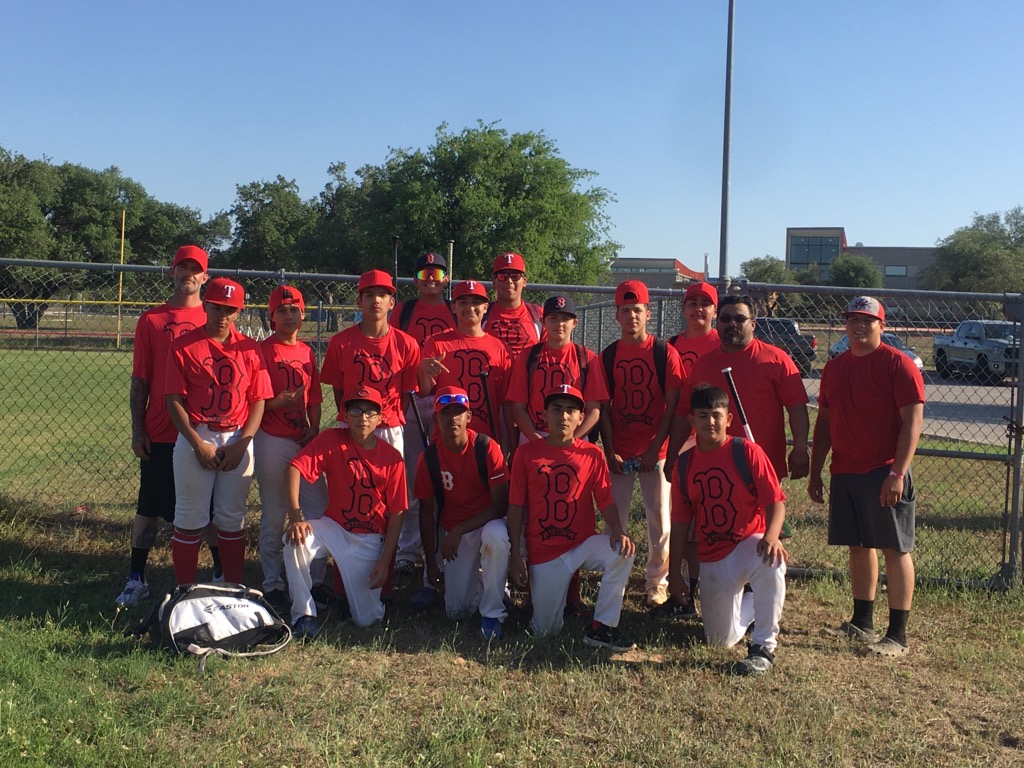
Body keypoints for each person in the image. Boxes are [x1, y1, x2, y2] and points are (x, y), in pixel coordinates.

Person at [808, 297, 924, 657]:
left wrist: (897, 473)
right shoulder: (835, 368)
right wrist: (815, 471)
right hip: (845, 469)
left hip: (883, 470)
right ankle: (862, 623)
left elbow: (913, 423)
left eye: (867, 320)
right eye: (852, 319)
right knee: (858, 546)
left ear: (881, 326)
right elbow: (824, 422)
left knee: (894, 548)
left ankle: (898, 636)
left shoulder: (899, 365)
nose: (859, 325)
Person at [117, 245, 219, 606]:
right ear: (171, 272)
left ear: (205, 277)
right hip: (161, 430)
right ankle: (136, 577)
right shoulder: (152, 320)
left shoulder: (215, 318)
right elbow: (140, 379)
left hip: (203, 430)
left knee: (206, 509)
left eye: (196, 270)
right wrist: (137, 429)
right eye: (182, 267)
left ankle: (220, 573)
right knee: (148, 506)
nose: (188, 274)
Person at [669, 385, 788, 676]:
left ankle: (764, 646)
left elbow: (776, 502)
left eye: (716, 415)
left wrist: (772, 535)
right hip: (713, 557)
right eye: (703, 415)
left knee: (770, 559)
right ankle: (751, 603)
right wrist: (674, 573)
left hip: (749, 543)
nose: (710, 422)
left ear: (729, 419)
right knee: (719, 641)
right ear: (691, 421)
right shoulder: (684, 464)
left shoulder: (746, 451)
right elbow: (680, 524)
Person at [508, 385, 637, 649]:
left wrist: (618, 529)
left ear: (581, 418)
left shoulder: (591, 453)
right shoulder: (526, 453)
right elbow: (516, 508)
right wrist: (516, 555)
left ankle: (602, 627)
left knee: (623, 551)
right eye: (556, 409)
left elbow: (605, 499)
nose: (563, 417)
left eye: (571, 411)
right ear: (544, 415)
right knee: (545, 631)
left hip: (581, 544)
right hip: (544, 553)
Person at [165, 277, 273, 585]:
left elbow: (258, 401)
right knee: (188, 517)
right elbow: (173, 398)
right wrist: (197, 442)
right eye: (216, 307)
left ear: (238, 311)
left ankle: (232, 587)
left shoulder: (250, 349)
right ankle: (185, 588)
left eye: (230, 309)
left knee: (231, 519)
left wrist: (242, 443)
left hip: (237, 436)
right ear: (206, 306)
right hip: (197, 433)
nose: (222, 315)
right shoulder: (185, 344)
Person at [506, 294, 609, 616]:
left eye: (565, 319)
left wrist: (570, 439)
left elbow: (593, 408)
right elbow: (517, 407)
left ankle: (573, 594)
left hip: (575, 446)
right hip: (533, 439)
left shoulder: (586, 357)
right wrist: (538, 438)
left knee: (571, 512)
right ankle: (527, 582)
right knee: (533, 512)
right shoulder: (529, 356)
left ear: (574, 323)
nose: (558, 324)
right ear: (544, 322)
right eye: (553, 318)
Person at [414, 280, 513, 610]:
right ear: (452, 307)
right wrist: (423, 370)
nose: (470, 307)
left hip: (486, 445)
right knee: (455, 609)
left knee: (495, 514)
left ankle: (501, 582)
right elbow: (426, 391)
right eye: (462, 302)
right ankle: (438, 575)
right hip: (448, 443)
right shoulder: (435, 343)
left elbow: (505, 403)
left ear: (487, 308)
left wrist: (509, 443)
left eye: (477, 303)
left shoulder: (498, 348)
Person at [283, 387, 407, 638]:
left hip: (370, 539)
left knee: (366, 620)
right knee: (296, 541)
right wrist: (296, 516)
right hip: (336, 528)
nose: (363, 418)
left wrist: (385, 561)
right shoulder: (332, 439)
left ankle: (367, 602)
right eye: (355, 411)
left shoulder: (392, 457)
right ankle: (304, 615)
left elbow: (397, 514)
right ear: (345, 415)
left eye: (370, 412)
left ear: (380, 418)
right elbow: (295, 467)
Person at [599, 279, 684, 607]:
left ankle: (656, 581)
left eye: (637, 310)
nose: (631, 316)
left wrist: (655, 448)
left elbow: (672, 405)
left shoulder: (664, 352)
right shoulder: (607, 357)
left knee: (659, 519)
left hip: (655, 451)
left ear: (648, 313)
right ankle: (615, 577)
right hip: (620, 450)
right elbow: (603, 408)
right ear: (617, 316)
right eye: (625, 311)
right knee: (614, 520)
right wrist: (609, 451)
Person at [253, 285, 328, 614]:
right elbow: (253, 402)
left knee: (319, 510)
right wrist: (276, 404)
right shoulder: (262, 351)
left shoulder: (308, 352)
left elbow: (314, 399)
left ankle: (315, 580)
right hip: (273, 438)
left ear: (303, 314)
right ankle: (273, 583)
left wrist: (314, 430)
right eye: (281, 310)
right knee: (274, 513)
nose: (288, 315)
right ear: (271, 317)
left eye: (293, 309)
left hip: (304, 441)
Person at [683, 294, 810, 485]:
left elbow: (797, 407)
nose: (732, 324)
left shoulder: (776, 359)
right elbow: (684, 413)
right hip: (714, 464)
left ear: (753, 324)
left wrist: (800, 448)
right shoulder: (703, 365)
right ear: (717, 323)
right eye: (725, 319)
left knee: (765, 515)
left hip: (763, 464)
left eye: (740, 319)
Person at [416, 386, 511, 640]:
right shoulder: (429, 458)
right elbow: (426, 513)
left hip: (487, 523)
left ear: (469, 416)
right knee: (456, 611)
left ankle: (492, 612)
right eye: (445, 412)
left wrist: (459, 529)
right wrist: (431, 564)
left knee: (496, 538)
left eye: (459, 412)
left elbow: (501, 506)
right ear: (436, 418)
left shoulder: (486, 447)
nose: (452, 418)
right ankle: (490, 583)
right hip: (455, 532)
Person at [390, 252, 456, 578]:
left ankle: (445, 547)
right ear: (415, 279)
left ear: (446, 278)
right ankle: (407, 550)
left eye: (437, 272)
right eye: (424, 272)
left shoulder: (456, 309)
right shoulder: (404, 311)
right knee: (414, 476)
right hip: (411, 396)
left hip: (447, 400)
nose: (431, 277)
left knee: (447, 475)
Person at [659, 280, 722, 616]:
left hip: (713, 442)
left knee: (707, 522)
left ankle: (708, 593)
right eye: (692, 303)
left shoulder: (722, 344)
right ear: (683, 309)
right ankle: (683, 593)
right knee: (682, 520)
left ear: (714, 310)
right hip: (681, 441)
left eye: (705, 303)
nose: (699, 309)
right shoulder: (670, 345)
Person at [319, 269, 420, 457]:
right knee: (350, 482)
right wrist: (353, 417)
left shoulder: (407, 344)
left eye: (382, 295)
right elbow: (338, 388)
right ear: (359, 301)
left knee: (388, 483)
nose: (376, 300)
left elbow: (406, 392)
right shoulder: (340, 342)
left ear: (392, 303)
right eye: (369, 295)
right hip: (351, 424)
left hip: (389, 426)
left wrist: (391, 418)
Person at [482, 251, 545, 357]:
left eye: (515, 276)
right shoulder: (482, 314)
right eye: (502, 277)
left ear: (524, 281)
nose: (509, 281)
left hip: (526, 373)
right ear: (494, 282)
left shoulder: (538, 315)